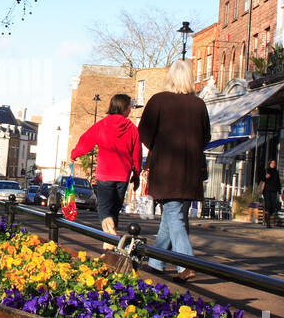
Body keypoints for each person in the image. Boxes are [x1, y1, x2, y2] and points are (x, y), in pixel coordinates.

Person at [138, 59, 211, 281]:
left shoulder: (158, 101)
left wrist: (158, 149)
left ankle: (185, 264)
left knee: (173, 215)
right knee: (173, 216)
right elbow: (206, 137)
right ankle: (156, 261)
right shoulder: (199, 105)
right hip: (191, 171)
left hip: (167, 169)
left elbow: (144, 133)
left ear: (170, 78)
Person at [69, 93, 141, 238]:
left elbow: (86, 141)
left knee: (104, 209)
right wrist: (137, 173)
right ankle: (110, 240)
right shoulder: (132, 128)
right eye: (129, 107)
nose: (131, 110)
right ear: (124, 108)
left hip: (105, 174)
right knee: (114, 209)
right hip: (122, 175)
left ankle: (109, 238)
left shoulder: (102, 125)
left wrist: (74, 154)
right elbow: (137, 152)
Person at [259, 158, 282, 228]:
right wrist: (266, 177)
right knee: (268, 205)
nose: (273, 164)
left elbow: (278, 182)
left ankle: (267, 216)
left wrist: (280, 191)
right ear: (269, 164)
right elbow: (261, 179)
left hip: (274, 191)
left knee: (273, 206)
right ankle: (268, 223)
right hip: (266, 190)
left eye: (274, 163)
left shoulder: (276, 172)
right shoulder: (266, 170)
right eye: (272, 163)